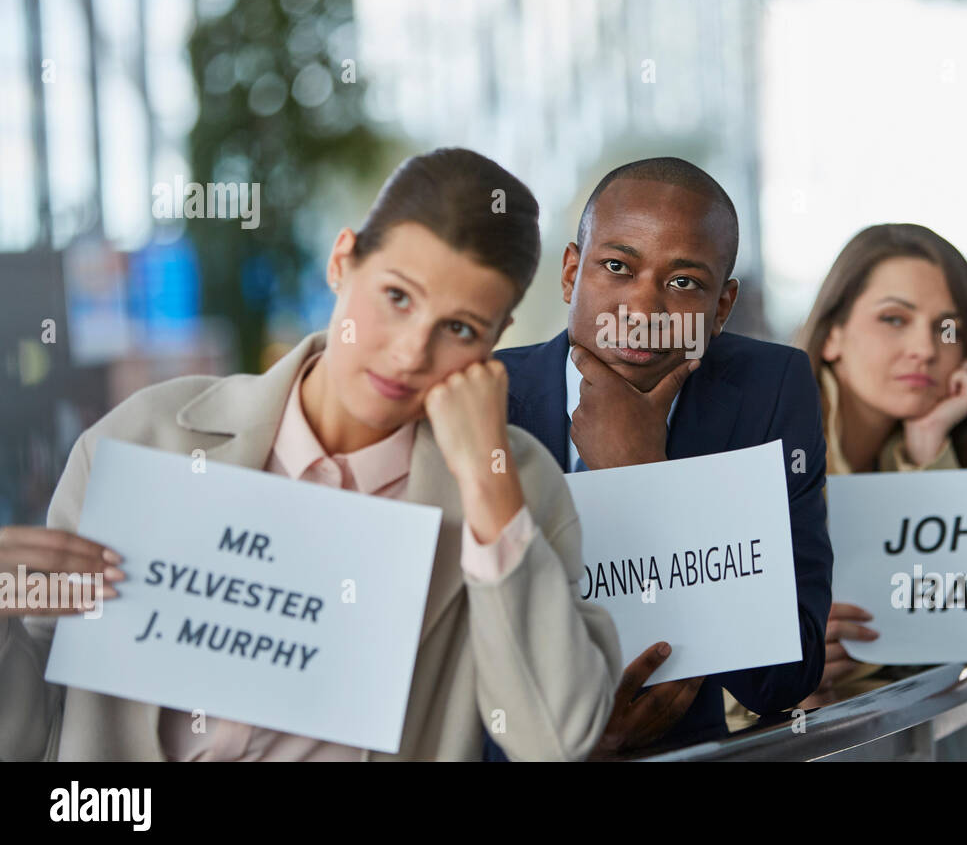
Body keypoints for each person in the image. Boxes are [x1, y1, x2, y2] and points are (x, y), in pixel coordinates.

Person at [0, 148, 621, 761]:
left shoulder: (518, 487)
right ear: (342, 261)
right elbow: (28, 740)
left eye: (460, 329)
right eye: (397, 297)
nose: (410, 354)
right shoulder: (143, 439)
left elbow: (553, 739)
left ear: (494, 341)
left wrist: (488, 493)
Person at [495, 156, 833, 757]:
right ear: (572, 273)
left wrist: (647, 480)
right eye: (618, 267)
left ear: (722, 307)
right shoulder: (484, 399)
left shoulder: (770, 390)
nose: (643, 310)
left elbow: (783, 677)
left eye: (683, 283)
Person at [790, 224, 967, 709]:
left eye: (948, 329)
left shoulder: (922, 449)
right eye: (893, 319)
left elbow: (961, 621)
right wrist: (774, 672)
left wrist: (929, 448)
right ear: (832, 334)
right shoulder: (766, 454)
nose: (926, 349)